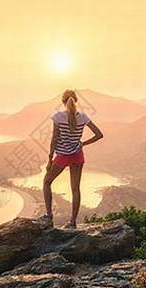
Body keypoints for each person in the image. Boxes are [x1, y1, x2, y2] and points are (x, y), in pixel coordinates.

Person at [41, 89, 104, 228]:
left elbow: (54, 138)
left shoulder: (58, 117)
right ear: (75, 101)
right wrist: (82, 143)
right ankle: (73, 222)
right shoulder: (83, 117)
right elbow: (99, 134)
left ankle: (48, 216)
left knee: (47, 182)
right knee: (75, 189)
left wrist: (50, 158)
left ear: (63, 102)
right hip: (77, 155)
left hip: (63, 156)